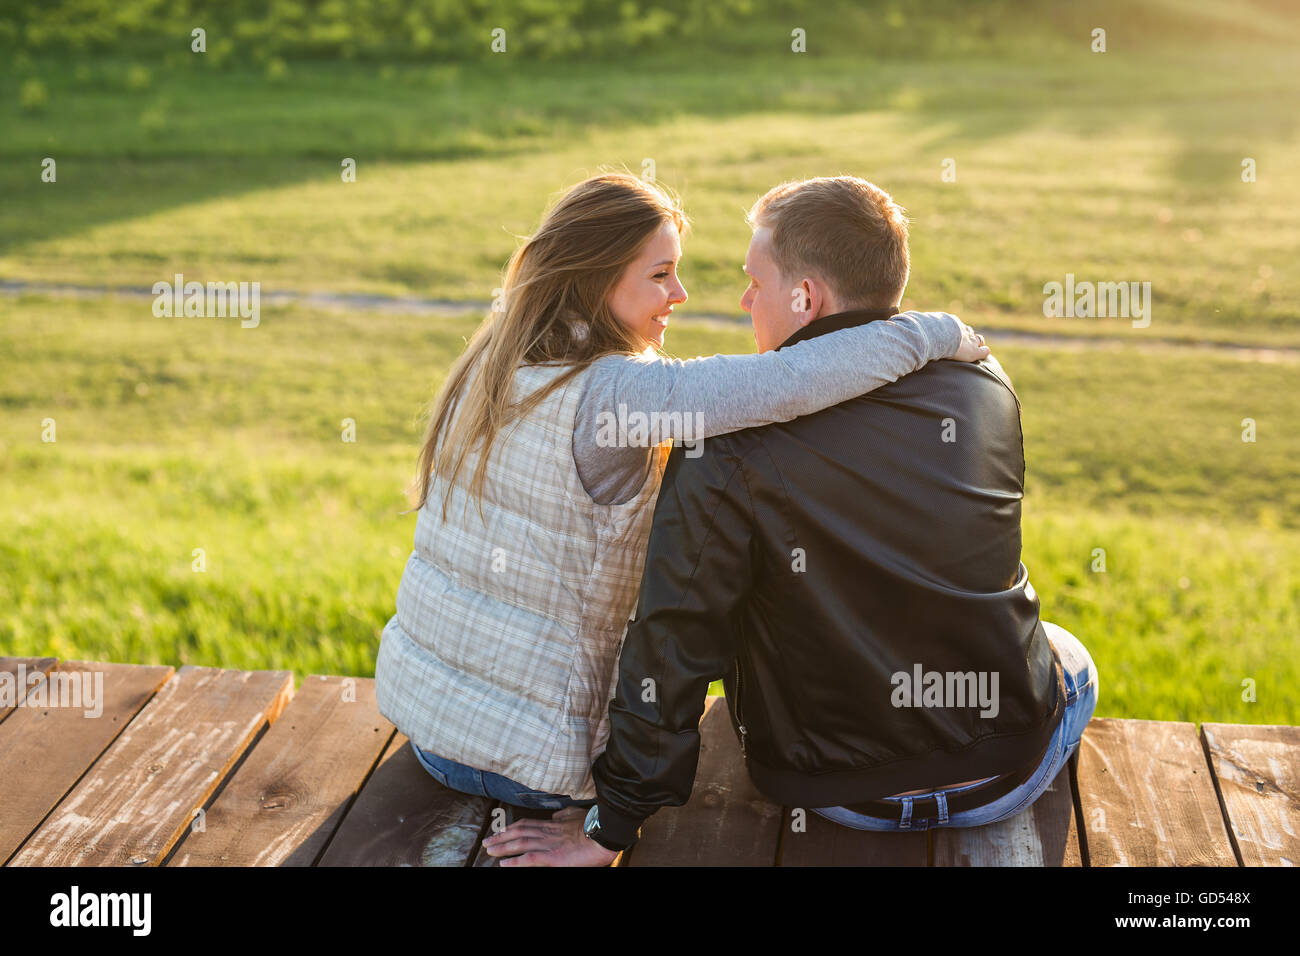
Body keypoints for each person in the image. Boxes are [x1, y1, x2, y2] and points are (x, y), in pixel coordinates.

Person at [482, 175, 1099, 866]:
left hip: (834, 788)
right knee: (1065, 653)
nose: (744, 300)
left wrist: (611, 825)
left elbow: (673, 645)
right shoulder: (983, 380)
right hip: (1006, 769)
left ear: (805, 297)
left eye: (756, 281)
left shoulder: (723, 444)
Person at [374, 172, 989, 819]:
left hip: (434, 737)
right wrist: (933, 335)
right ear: (596, 278)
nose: (681, 294)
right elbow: (786, 382)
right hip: (544, 768)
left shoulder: (494, 362)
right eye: (661, 275)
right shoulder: (613, 397)